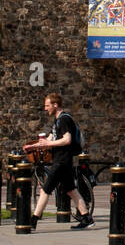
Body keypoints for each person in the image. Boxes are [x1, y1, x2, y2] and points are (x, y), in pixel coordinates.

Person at [23, 93, 93, 229]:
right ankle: (86, 218)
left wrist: (49, 144)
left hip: (61, 161)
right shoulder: (57, 121)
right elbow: (48, 139)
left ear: (55, 105)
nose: (45, 109)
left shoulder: (64, 120)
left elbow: (67, 139)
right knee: (71, 190)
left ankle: (33, 221)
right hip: (62, 161)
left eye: (47, 106)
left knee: (45, 190)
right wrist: (32, 146)